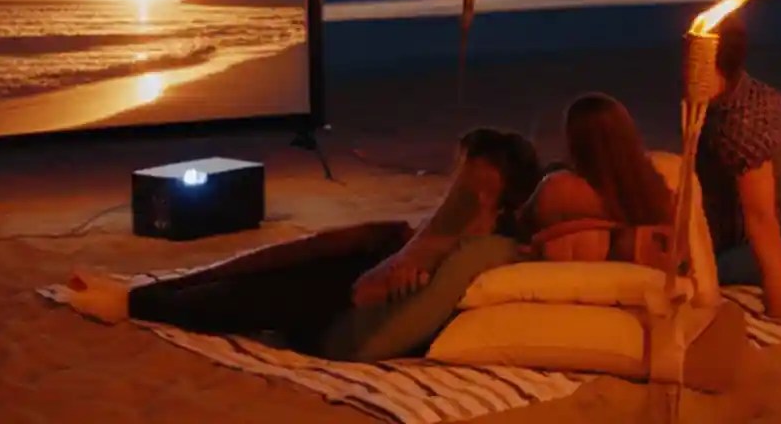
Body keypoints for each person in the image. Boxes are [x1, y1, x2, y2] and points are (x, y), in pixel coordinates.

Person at [66, 127, 541, 354]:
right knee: (271, 261)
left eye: (467, 182)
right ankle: (146, 293)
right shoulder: (452, 230)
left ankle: (134, 304)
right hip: (372, 259)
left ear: (492, 197)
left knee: (268, 286)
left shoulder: (475, 249)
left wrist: (415, 254)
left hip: (338, 308)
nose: (454, 186)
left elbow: (370, 290)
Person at [695, 15, 781, 324]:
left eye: (695, 63)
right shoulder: (737, 92)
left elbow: (761, 218)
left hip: (733, 237)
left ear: (716, 66)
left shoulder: (742, 124)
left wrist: (778, 305)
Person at [516, 93, 675, 264]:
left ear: (576, 141)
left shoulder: (557, 189)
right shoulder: (655, 193)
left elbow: (522, 228)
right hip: (637, 286)